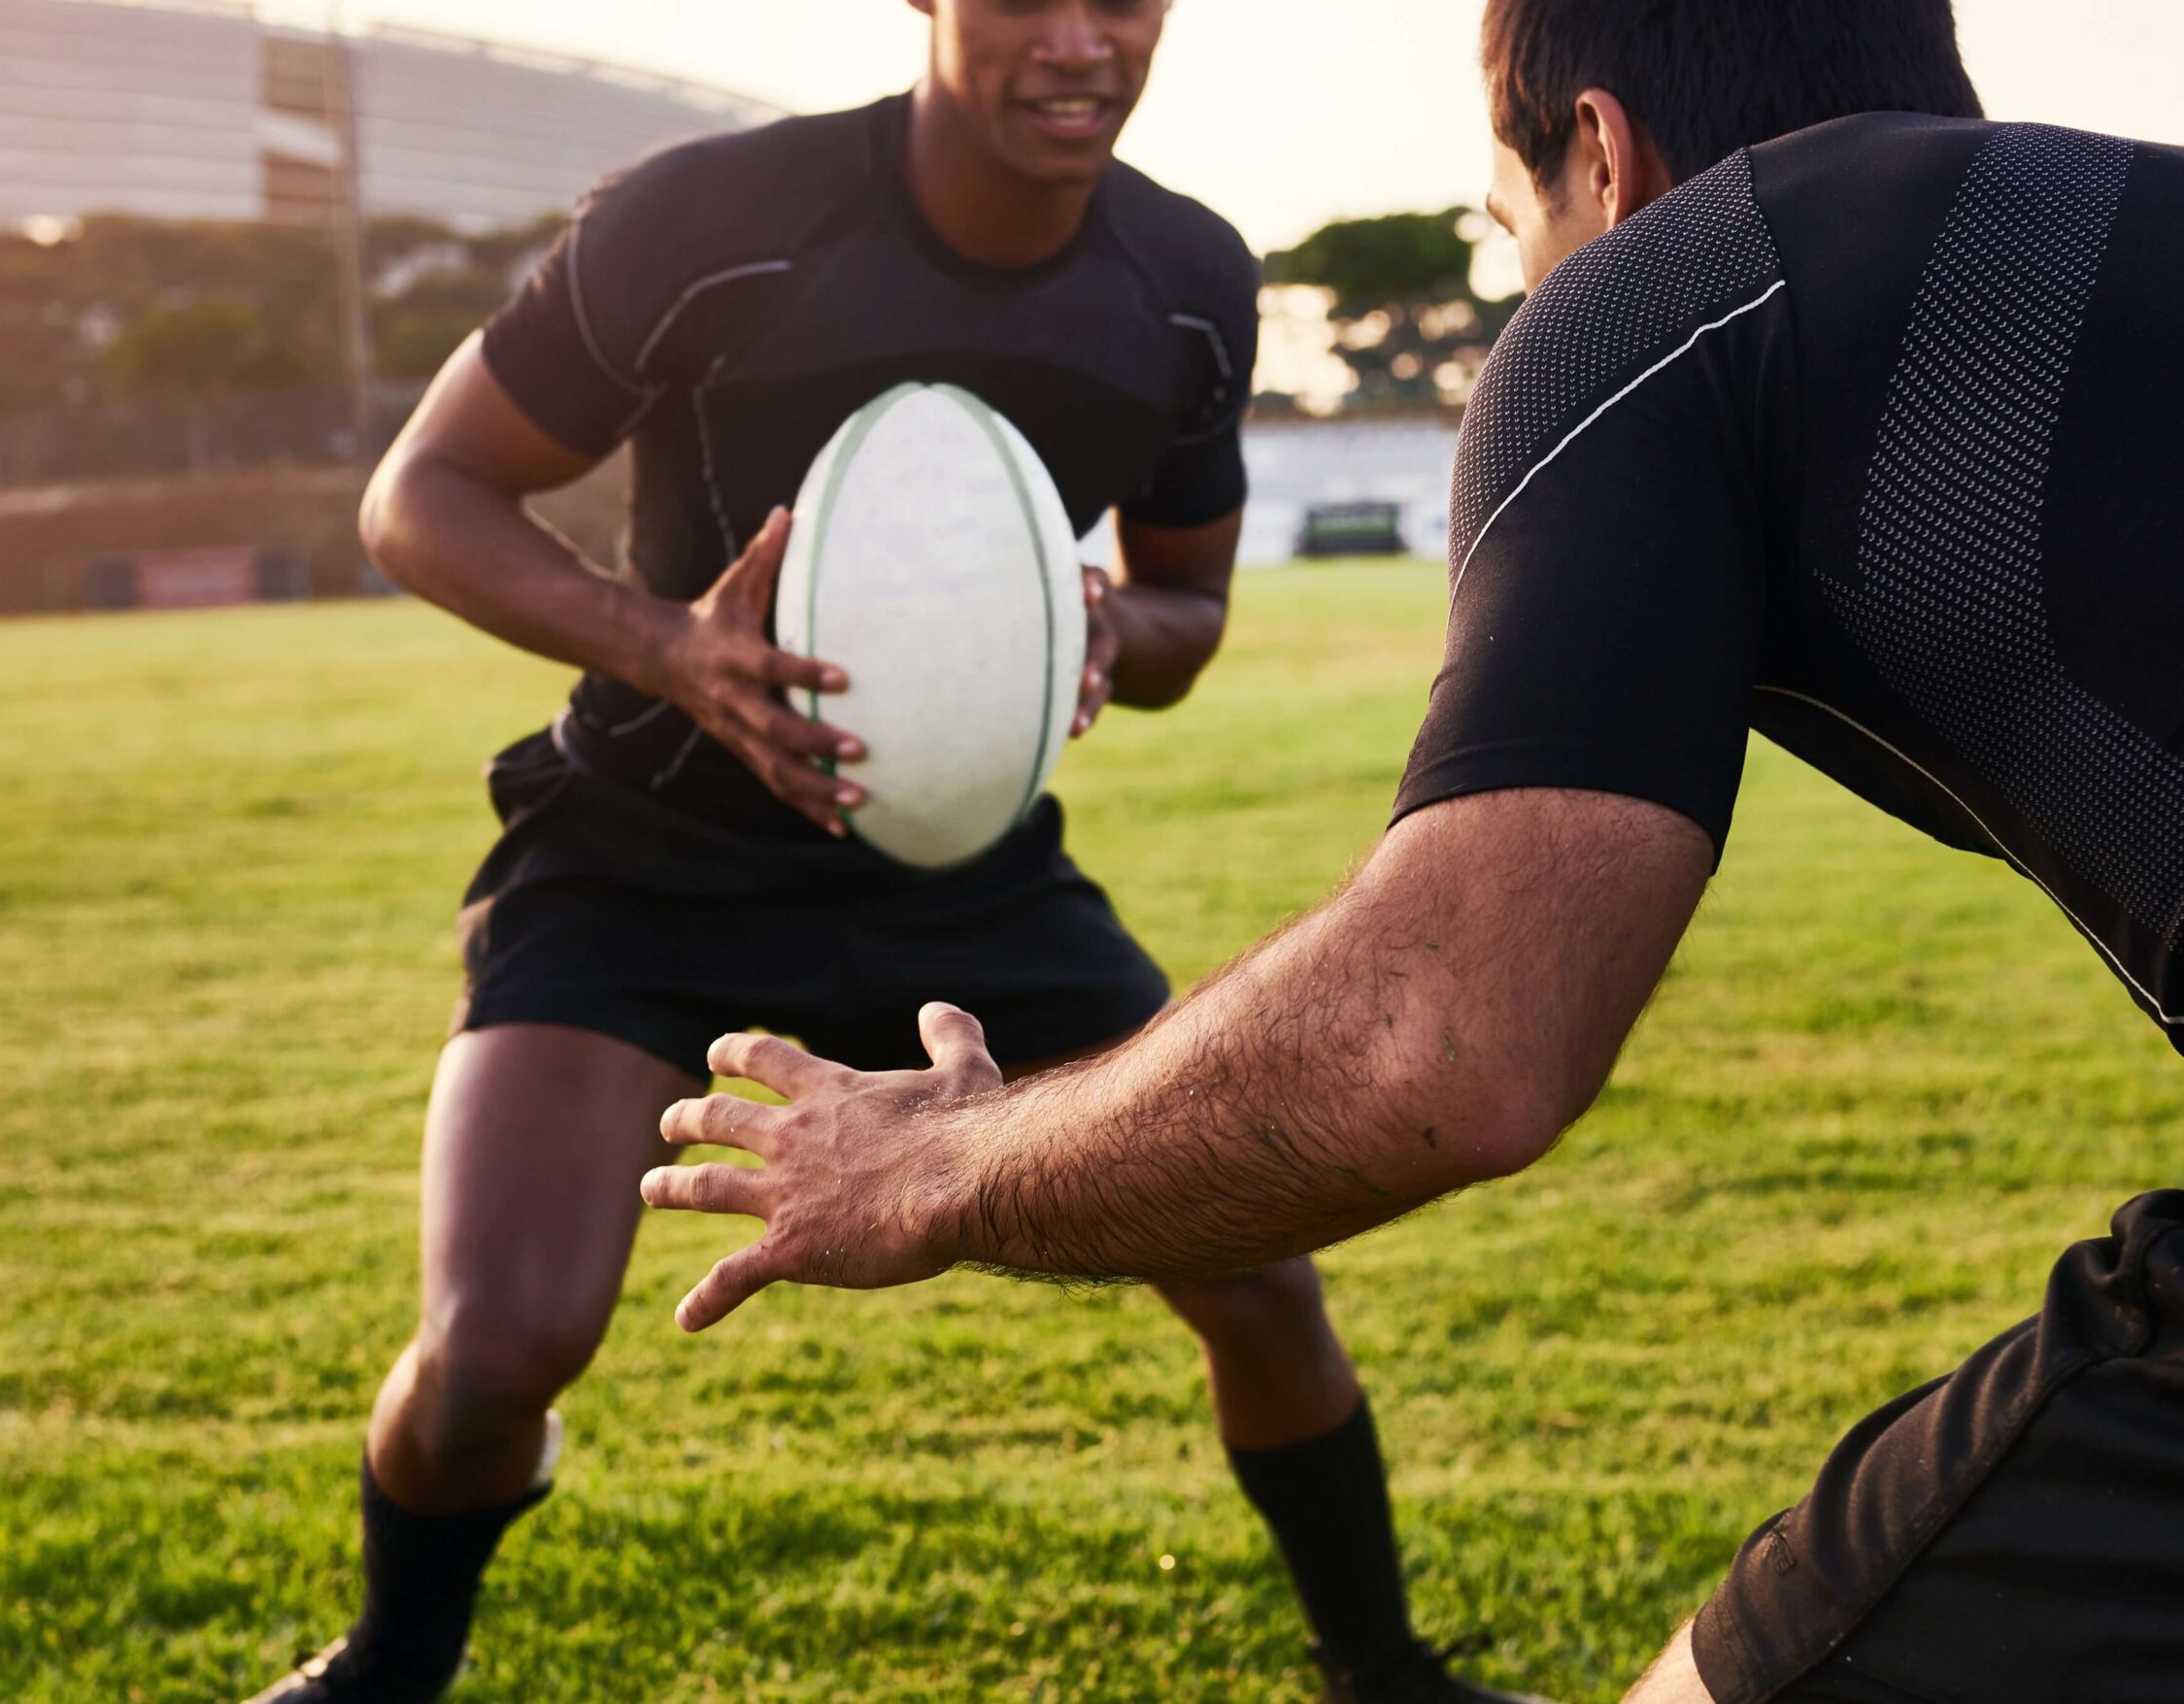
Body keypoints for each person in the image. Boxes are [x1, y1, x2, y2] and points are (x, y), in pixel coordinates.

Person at [641, 2, 2184, 1700]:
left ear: (1603, 155)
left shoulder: (1667, 287)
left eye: (1517, 227)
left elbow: (1445, 1041)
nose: (1537, 282)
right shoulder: (2121, 212)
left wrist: (937, 1165)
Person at [246, 4, 1533, 1701]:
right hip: (641, 853)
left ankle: (1385, 1676)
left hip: (972, 876)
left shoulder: (1189, 280)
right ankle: (385, 1671)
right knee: (498, 1349)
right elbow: (422, 495)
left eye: (1123, 0)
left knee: (1258, 1277)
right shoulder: (709, 219)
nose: (1080, 41)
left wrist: (1092, 626)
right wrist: (674, 652)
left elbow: (1186, 616)